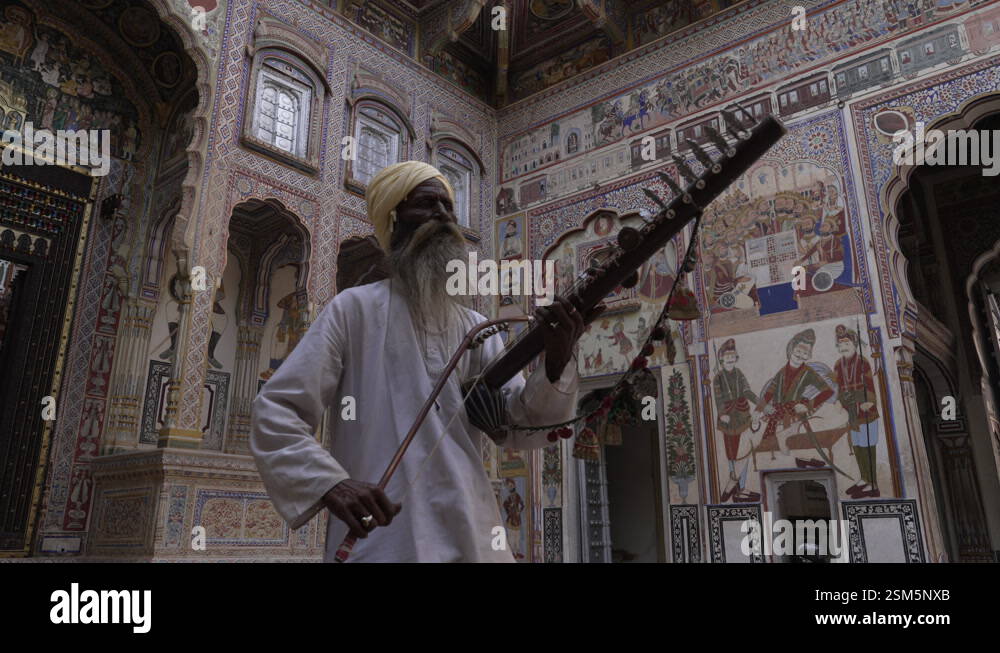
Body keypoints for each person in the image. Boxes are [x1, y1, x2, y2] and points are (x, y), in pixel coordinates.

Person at [250, 161, 599, 562]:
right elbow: (276, 411)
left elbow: (522, 429)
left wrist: (556, 363)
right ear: (394, 219)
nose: (442, 216)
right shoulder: (354, 310)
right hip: (383, 541)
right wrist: (331, 484)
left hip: (472, 535)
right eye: (426, 204)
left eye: (448, 207)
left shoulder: (477, 328)